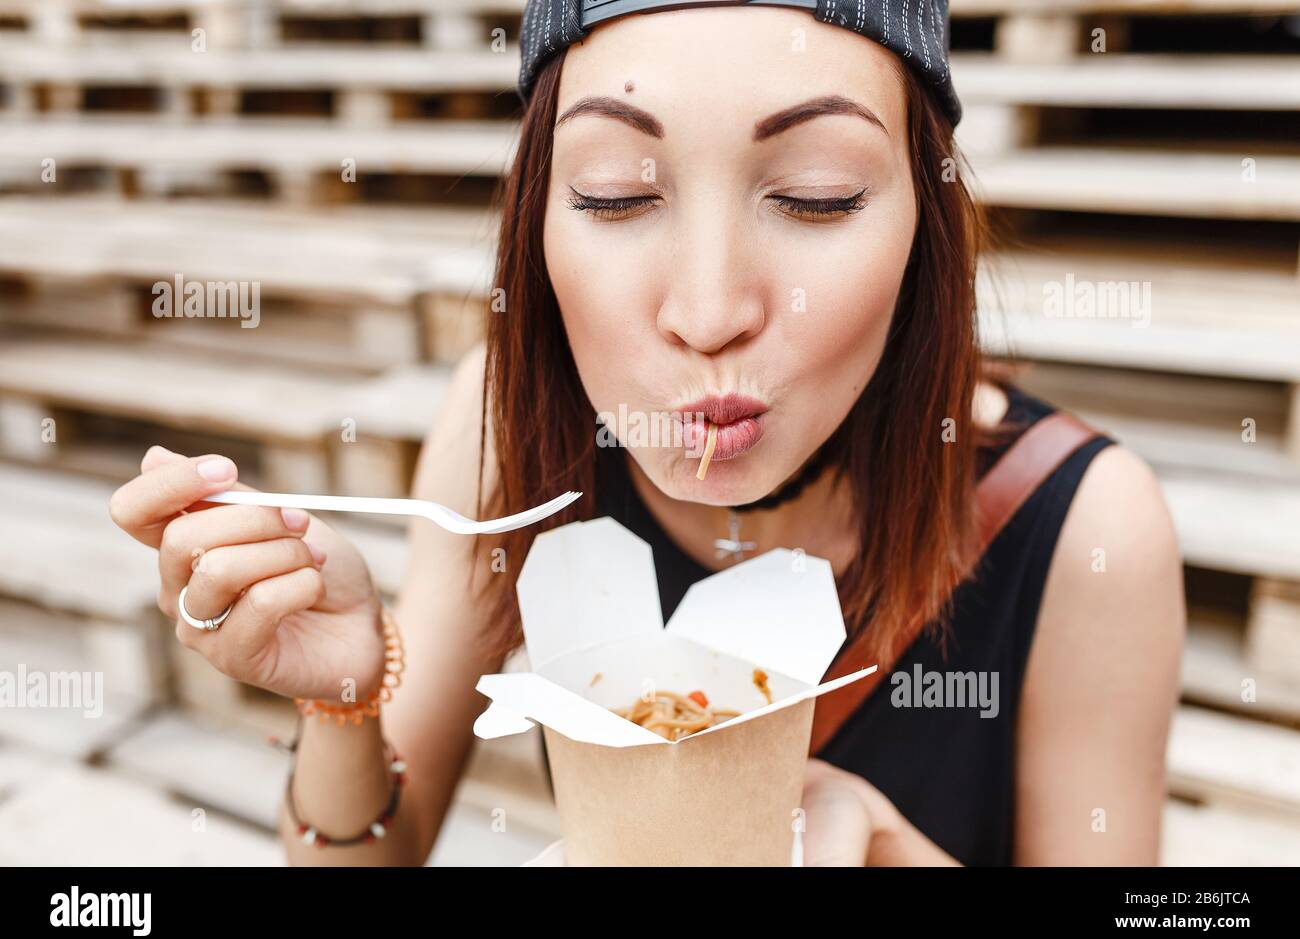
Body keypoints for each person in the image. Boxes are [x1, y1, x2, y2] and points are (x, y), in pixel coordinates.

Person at [108, 1, 1184, 865]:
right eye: (614, 195)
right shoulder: (501, 436)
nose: (708, 311)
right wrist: (344, 700)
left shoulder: (1081, 523)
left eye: (817, 196)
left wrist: (886, 837)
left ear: (923, 219)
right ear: (539, 213)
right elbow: (364, 856)